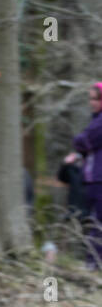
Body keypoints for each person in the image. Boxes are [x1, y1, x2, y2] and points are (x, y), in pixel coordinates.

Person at [69, 82, 102, 269]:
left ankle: (93, 263)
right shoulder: (95, 120)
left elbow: (83, 140)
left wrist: (80, 142)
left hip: (99, 180)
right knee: (93, 221)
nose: (92, 103)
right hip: (92, 180)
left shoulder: (100, 122)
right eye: (90, 98)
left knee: (98, 223)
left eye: (96, 99)